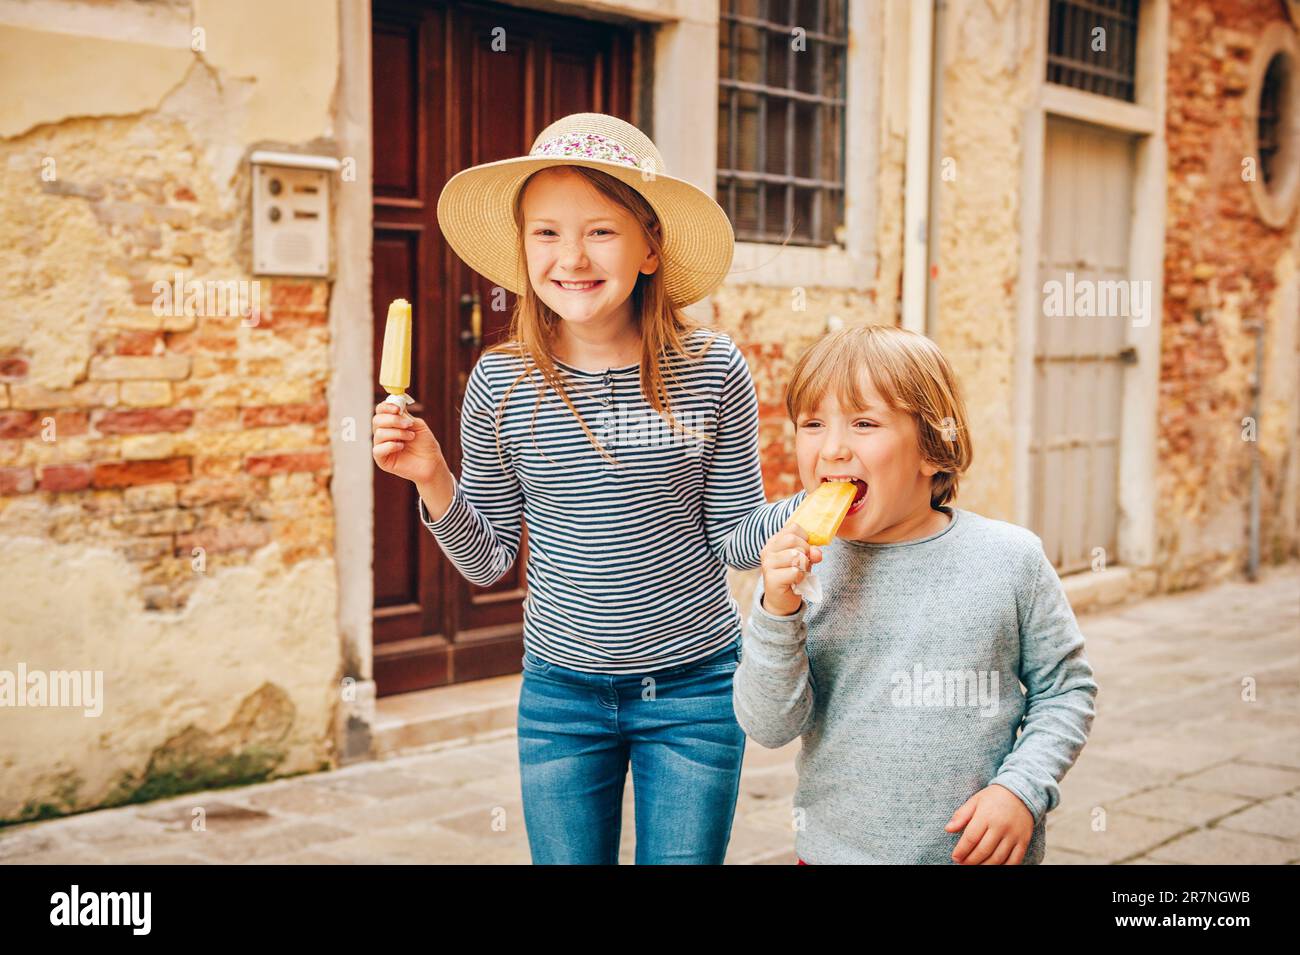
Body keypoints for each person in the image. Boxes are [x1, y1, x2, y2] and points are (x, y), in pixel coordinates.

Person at [372, 113, 800, 863]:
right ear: (524, 248)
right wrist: (432, 476)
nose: (571, 256)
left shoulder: (711, 369)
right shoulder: (500, 384)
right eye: (546, 233)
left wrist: (825, 495)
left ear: (649, 246)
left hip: (696, 690)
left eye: (600, 231)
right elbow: (488, 558)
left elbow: (735, 538)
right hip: (560, 698)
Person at [734, 323, 1098, 864]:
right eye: (812, 424)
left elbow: (1065, 691)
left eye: (863, 423)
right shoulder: (804, 573)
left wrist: (1021, 790)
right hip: (836, 854)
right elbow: (769, 726)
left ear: (933, 447)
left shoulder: (1009, 559)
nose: (832, 448)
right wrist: (776, 610)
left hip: (974, 855)